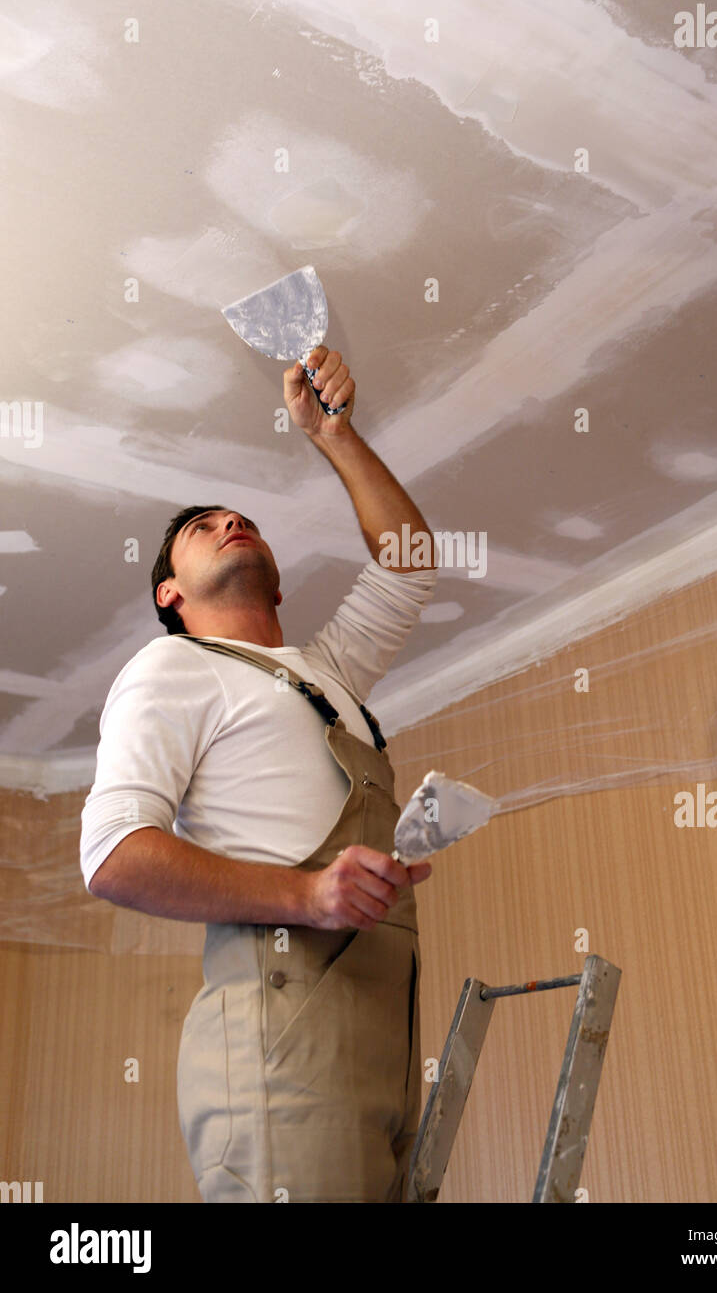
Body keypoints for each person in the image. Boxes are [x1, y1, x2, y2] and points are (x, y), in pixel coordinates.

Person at [79, 345, 437, 1202]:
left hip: (384, 1035)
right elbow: (113, 856)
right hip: (282, 1041)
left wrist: (333, 434)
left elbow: (413, 560)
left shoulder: (328, 676)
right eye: (202, 529)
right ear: (170, 595)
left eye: (243, 518)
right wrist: (309, 898)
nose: (230, 521)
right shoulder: (171, 671)